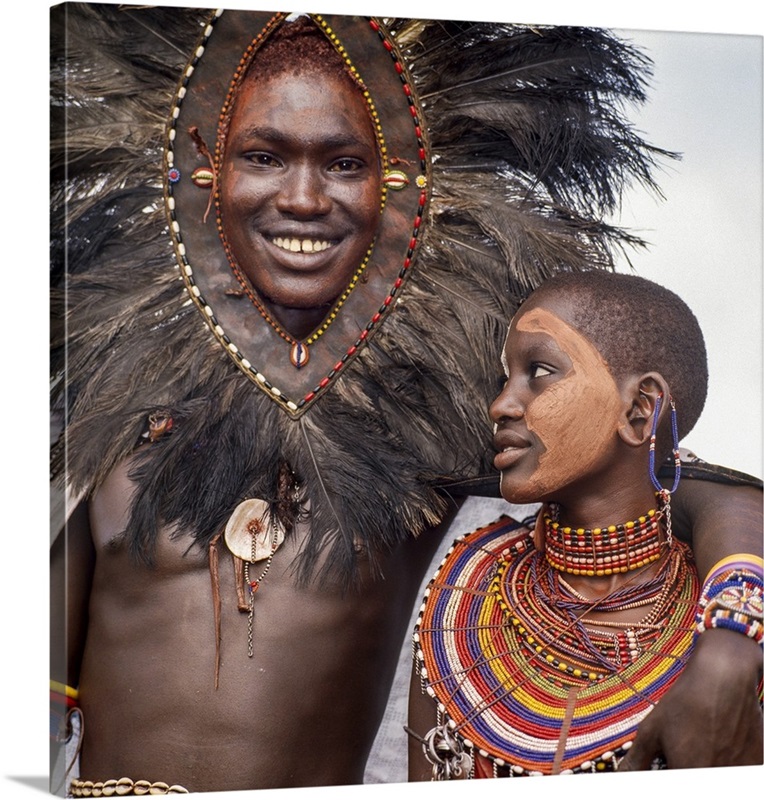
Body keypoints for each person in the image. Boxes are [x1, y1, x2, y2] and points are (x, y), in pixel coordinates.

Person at [50, 7, 763, 796]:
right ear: (204, 173)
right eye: (262, 155)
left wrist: (735, 633)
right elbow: (31, 696)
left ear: (401, 189)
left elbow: (683, 483)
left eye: (346, 164)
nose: (304, 197)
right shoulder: (107, 421)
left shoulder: (430, 440)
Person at [408, 271, 763, 780]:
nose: (501, 404)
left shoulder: (729, 610)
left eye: (539, 371)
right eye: (504, 378)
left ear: (640, 410)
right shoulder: (464, 596)